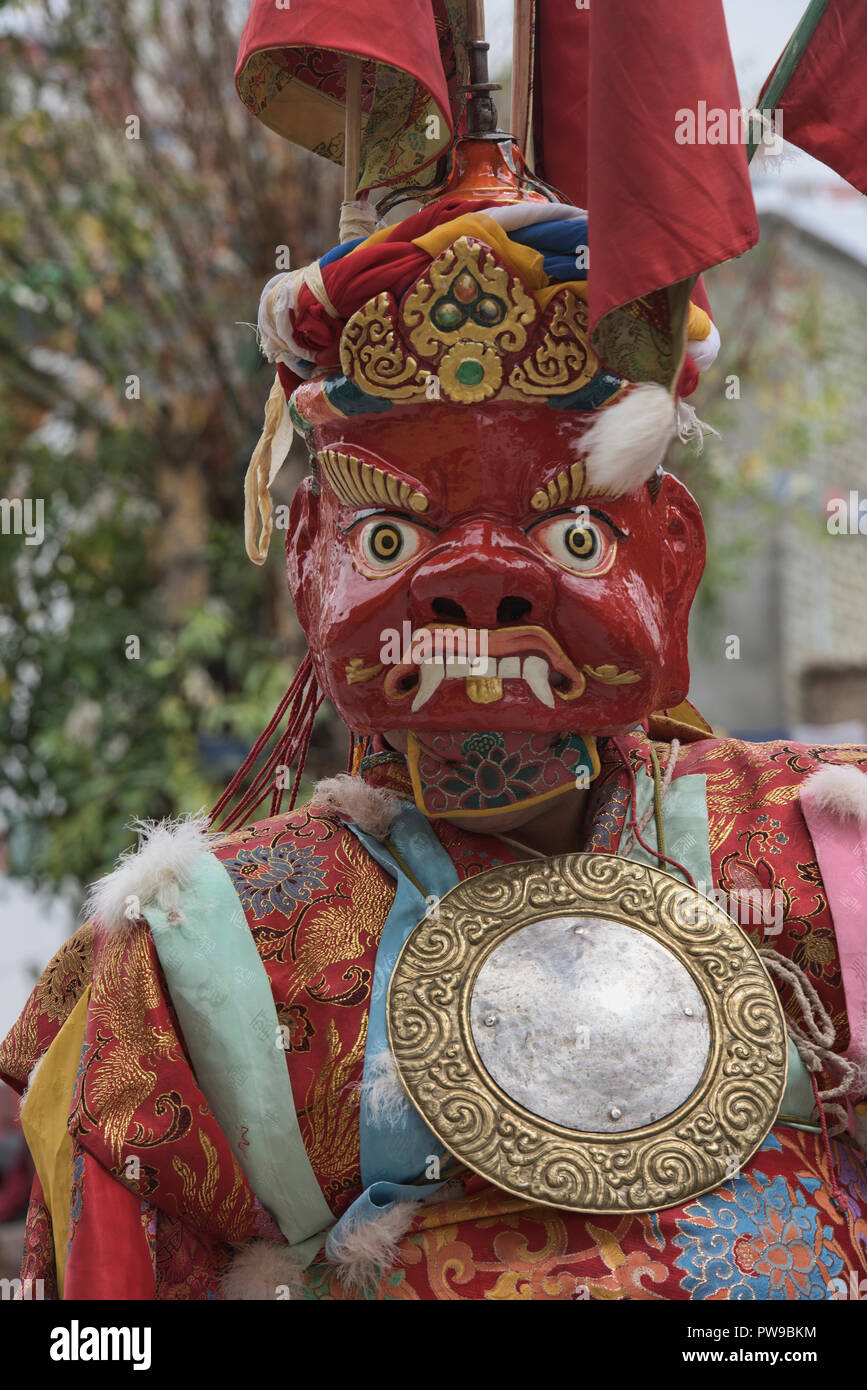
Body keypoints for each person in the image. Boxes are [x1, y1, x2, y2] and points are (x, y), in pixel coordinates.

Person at [2, 11, 866, 1303]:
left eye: (571, 528)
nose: (481, 591)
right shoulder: (209, 957)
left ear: (674, 554)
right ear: (304, 556)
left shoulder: (823, 863)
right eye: (394, 527)